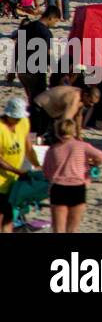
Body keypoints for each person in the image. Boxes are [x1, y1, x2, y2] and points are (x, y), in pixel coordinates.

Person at [42, 118, 102, 234]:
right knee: (73, 229)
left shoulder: (52, 149)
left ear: (57, 132)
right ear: (73, 131)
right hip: (77, 186)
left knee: (58, 229)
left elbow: (46, 172)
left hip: (58, 187)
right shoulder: (82, 146)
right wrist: (92, 162)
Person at [0, 96, 38, 233]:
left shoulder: (23, 122)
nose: (17, 121)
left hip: (13, 181)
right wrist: (17, 171)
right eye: (15, 118)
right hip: (1, 180)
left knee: (9, 216)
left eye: (19, 118)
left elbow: (28, 146)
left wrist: (36, 164)